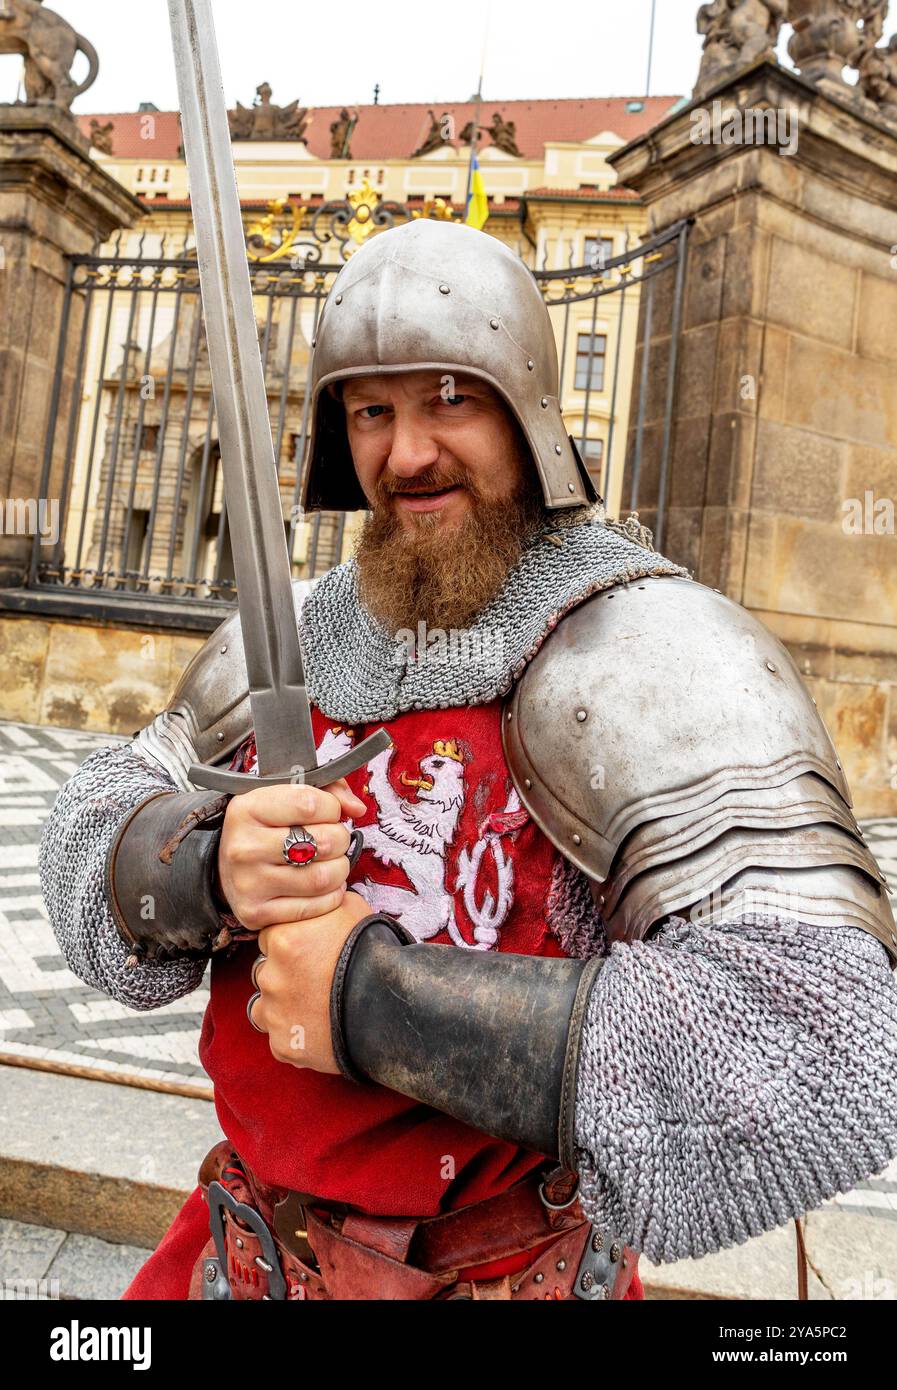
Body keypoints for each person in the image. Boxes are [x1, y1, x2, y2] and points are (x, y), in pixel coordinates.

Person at [40, 219, 897, 1302]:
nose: (407, 453)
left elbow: (821, 1042)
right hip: (246, 1256)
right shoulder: (292, 633)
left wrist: (370, 997)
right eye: (372, 410)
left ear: (526, 409)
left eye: (451, 395)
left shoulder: (651, 649)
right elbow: (91, 817)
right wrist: (198, 866)